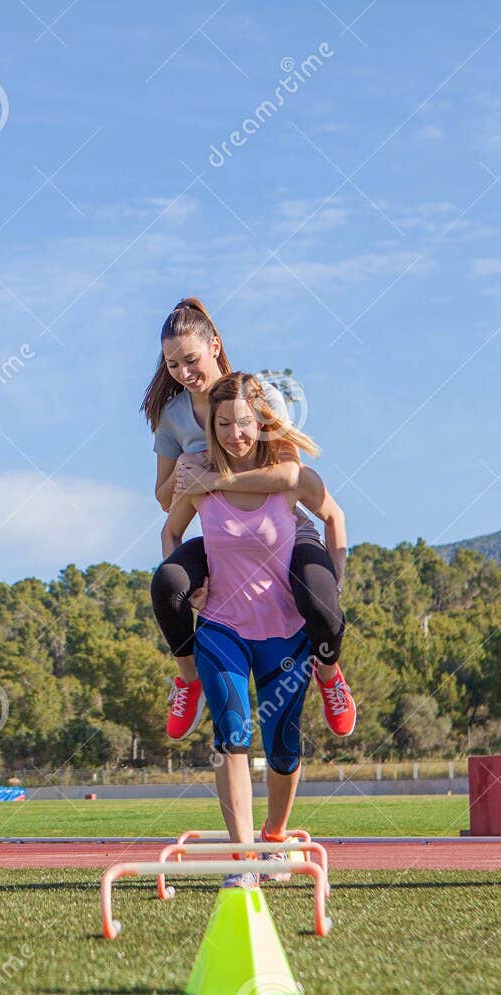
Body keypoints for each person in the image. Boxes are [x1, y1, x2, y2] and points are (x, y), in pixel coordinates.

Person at [162, 372, 347, 888]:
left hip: (284, 630)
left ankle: (274, 836)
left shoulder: (289, 477)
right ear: (211, 426)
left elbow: (334, 517)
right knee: (231, 735)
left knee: (283, 747)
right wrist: (190, 585)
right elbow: (171, 531)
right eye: (223, 423)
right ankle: (243, 859)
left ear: (261, 422)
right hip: (222, 627)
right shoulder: (197, 478)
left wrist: (334, 585)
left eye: (243, 422)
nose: (234, 434)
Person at [144, 298, 355, 742]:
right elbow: (165, 501)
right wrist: (184, 471)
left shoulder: (259, 395)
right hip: (222, 536)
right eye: (173, 365)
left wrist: (212, 477)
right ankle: (189, 680)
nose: (183, 372)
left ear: (215, 346)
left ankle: (329, 674)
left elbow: (288, 474)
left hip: (282, 531)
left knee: (321, 601)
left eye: (191, 360)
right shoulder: (173, 417)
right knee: (167, 584)